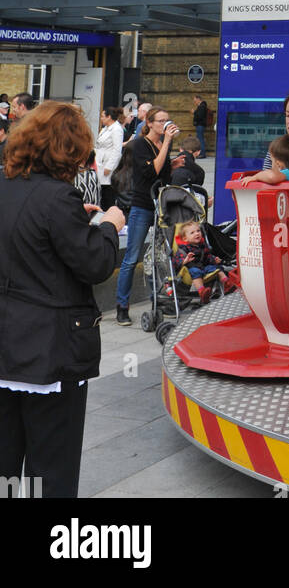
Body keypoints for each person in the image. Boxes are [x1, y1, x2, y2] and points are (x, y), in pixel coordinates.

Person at [0, 101, 125, 498]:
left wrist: (74, 223)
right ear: (68, 151)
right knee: (50, 469)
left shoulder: (5, 186)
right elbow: (95, 263)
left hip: (5, 348)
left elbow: (29, 239)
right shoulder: (58, 198)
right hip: (48, 352)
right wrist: (108, 226)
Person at [115, 106, 179, 325]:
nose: (165, 124)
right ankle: (122, 306)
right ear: (149, 123)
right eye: (160, 121)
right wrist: (167, 143)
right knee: (132, 257)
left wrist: (173, 164)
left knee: (159, 256)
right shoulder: (140, 144)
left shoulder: (163, 144)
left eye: (167, 120)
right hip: (142, 205)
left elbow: (162, 174)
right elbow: (151, 171)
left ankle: (158, 300)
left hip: (160, 206)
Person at [173, 220, 229, 303]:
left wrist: (214, 260)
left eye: (198, 231)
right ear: (185, 238)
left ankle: (227, 283)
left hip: (204, 267)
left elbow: (208, 256)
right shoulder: (183, 249)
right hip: (191, 269)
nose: (197, 233)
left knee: (217, 268)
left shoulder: (202, 245)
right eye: (192, 233)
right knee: (195, 271)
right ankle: (202, 292)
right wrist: (185, 261)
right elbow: (176, 261)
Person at [95, 107, 125, 207]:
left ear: (109, 117)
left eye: (103, 116)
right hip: (100, 162)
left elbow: (117, 150)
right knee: (101, 191)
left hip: (107, 164)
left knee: (107, 191)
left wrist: (109, 166)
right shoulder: (105, 129)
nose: (101, 118)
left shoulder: (116, 129)